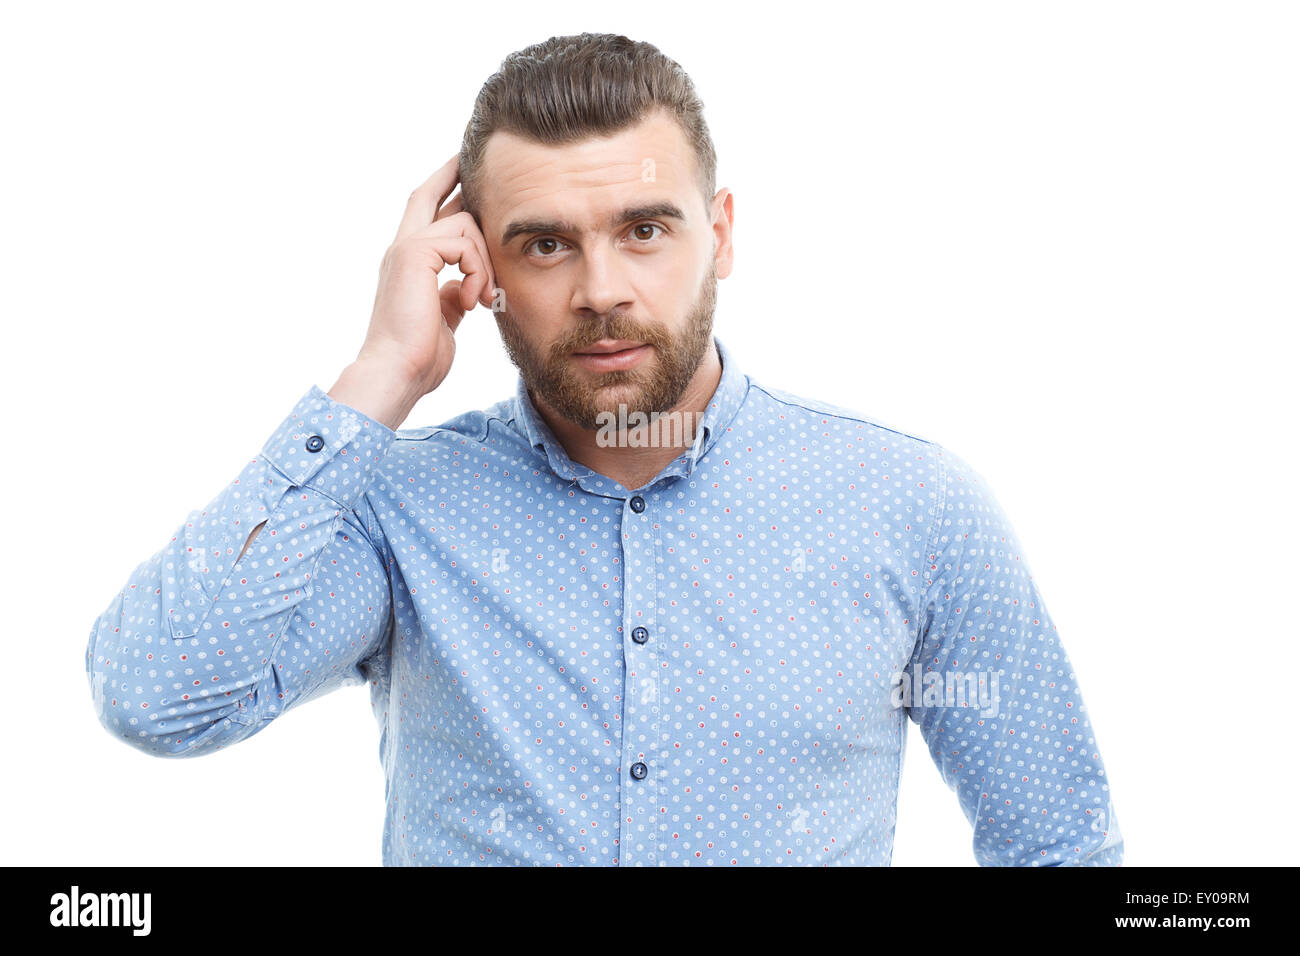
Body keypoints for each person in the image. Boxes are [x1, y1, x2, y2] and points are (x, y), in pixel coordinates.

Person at [85, 32, 1123, 866]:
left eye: (644, 229)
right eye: (545, 243)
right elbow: (156, 696)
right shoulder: (392, 510)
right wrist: (378, 375)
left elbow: (1059, 845)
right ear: (475, 267)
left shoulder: (914, 506)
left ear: (720, 232)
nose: (602, 290)